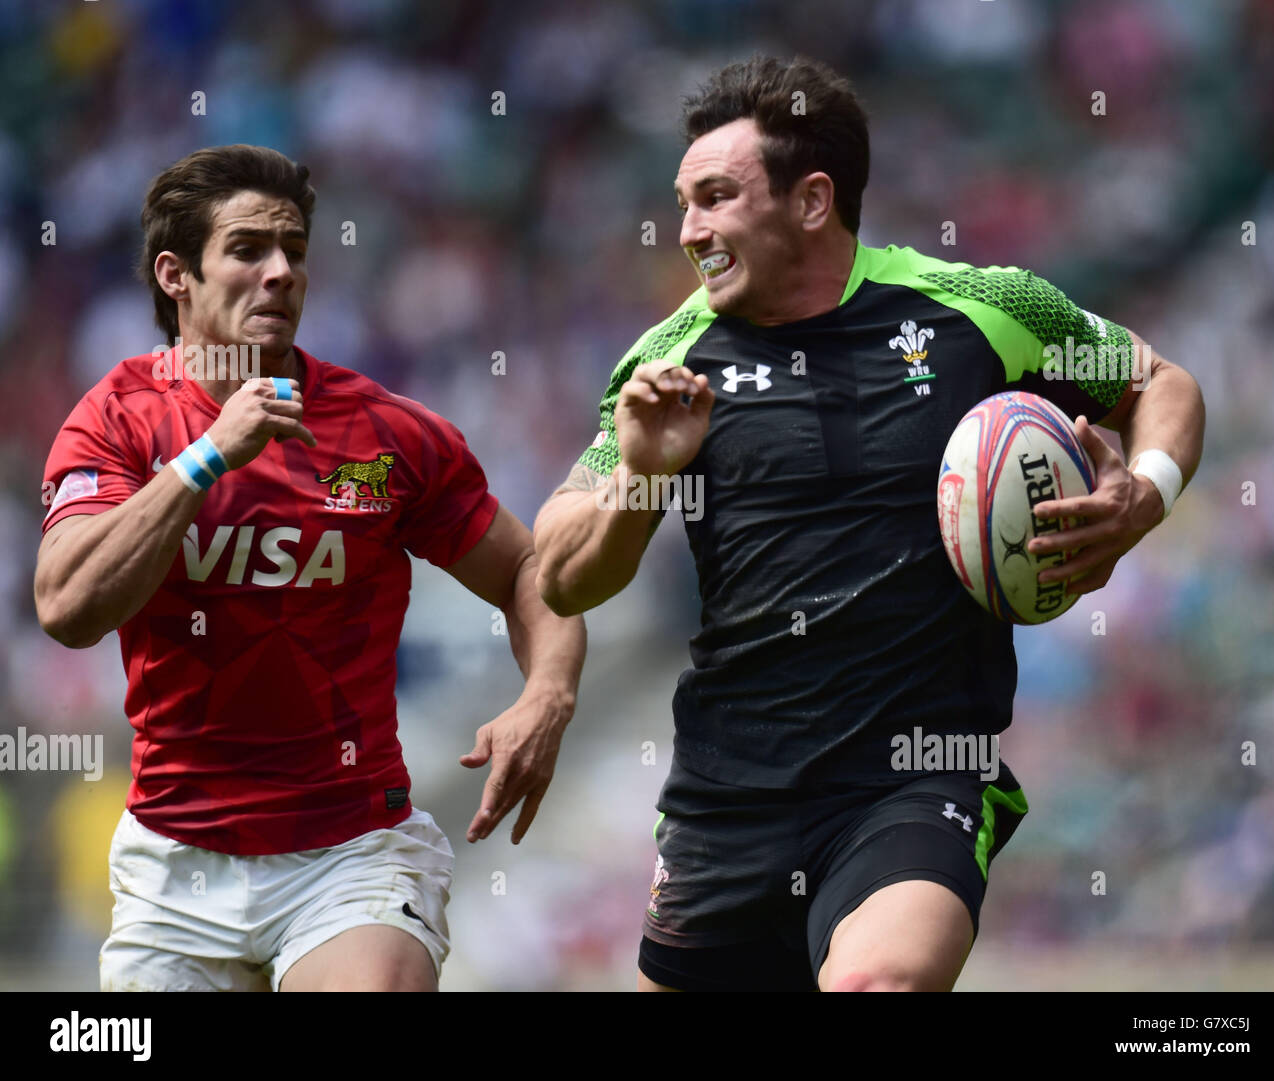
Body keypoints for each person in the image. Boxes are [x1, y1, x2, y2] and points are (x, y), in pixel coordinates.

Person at [533, 56, 1205, 992]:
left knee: (875, 983)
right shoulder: (669, 359)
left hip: (914, 779)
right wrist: (639, 476)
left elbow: (1157, 381)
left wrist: (1147, 489)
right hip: (726, 802)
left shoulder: (983, 309)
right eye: (683, 202)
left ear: (813, 201)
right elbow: (563, 575)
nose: (687, 232)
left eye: (716, 198)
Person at [33, 144, 585, 992]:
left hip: (350, 854)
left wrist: (546, 694)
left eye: (294, 250)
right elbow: (67, 606)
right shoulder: (116, 421)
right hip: (174, 867)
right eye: (249, 249)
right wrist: (207, 458)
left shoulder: (389, 431)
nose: (282, 271)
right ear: (175, 274)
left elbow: (534, 575)